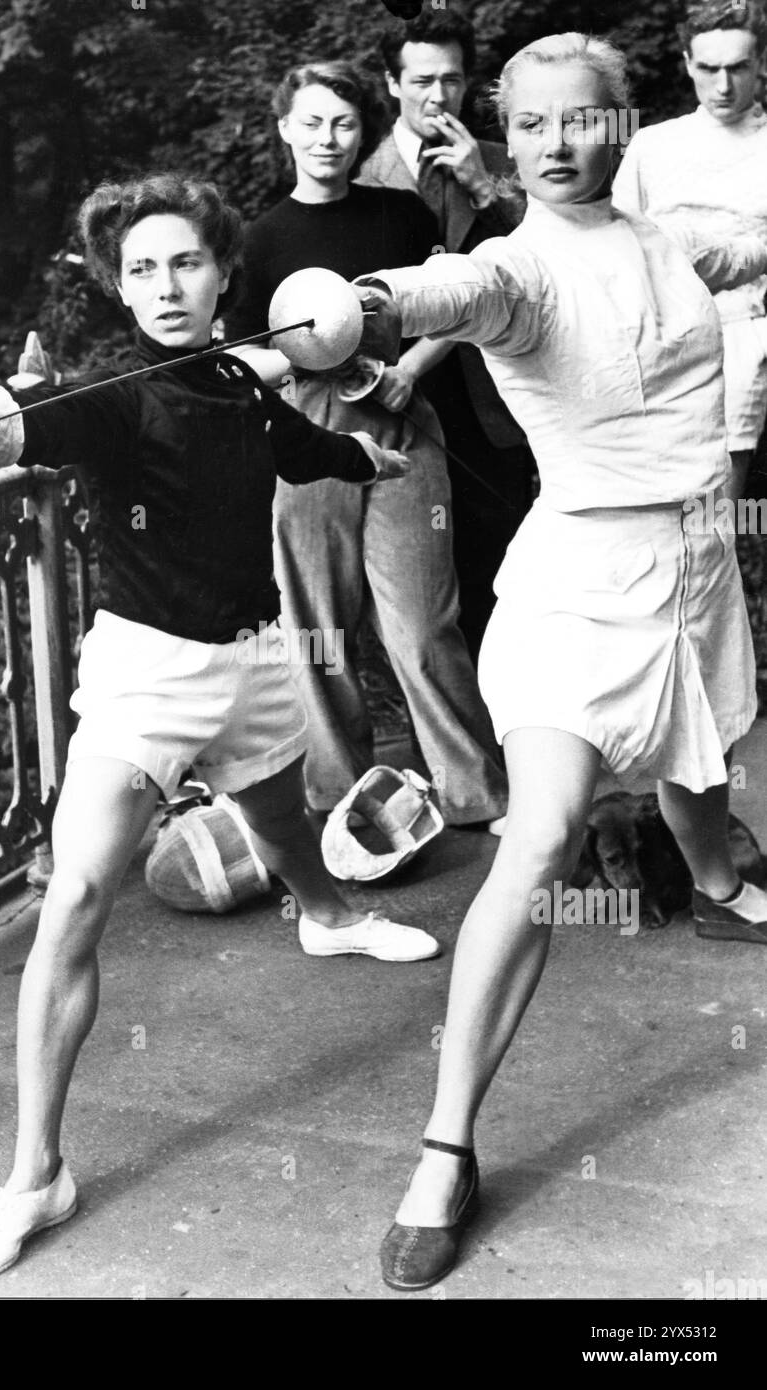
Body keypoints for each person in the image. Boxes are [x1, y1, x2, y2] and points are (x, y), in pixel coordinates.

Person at [0, 174, 448, 1287]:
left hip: (253, 659)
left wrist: (366, 458)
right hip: (147, 674)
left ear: (221, 271)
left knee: (285, 821)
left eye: (184, 262)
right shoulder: (116, 391)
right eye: (141, 267)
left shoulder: (239, 379)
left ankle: (331, 915)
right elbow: (16, 423)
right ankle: (33, 1176)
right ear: (116, 282)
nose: (165, 284)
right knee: (80, 896)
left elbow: (291, 443)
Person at [352, 33, 767, 1292]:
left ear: (623, 123)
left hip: (697, 564)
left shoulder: (665, 235)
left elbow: (736, 252)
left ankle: (713, 883)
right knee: (538, 845)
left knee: (704, 745)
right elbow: (440, 291)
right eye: (529, 125)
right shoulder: (513, 268)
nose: (555, 144)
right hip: (579, 589)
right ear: (505, 135)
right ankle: (443, 1146)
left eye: (580, 120)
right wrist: (364, 309)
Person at [226, 60, 507, 827]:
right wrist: (309, 362)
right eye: (312, 122)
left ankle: (474, 794)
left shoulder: (402, 215)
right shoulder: (259, 240)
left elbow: (452, 305)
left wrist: (409, 370)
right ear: (285, 127)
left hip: (402, 420)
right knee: (316, 630)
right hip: (304, 428)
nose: (328, 139)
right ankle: (337, 796)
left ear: (364, 132)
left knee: (422, 622)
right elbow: (247, 359)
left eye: (344, 124)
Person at [357, 8, 535, 657]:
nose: (439, 96)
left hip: (496, 405)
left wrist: (483, 184)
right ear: (391, 82)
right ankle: (452, 749)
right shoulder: (361, 176)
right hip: (405, 405)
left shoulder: (498, 161)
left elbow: (549, 264)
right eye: (423, 80)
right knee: (422, 594)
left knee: (508, 573)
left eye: (453, 80)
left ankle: (515, 733)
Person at [613, 0, 767, 501]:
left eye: (738, 67)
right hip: (657, 335)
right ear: (687, 63)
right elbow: (614, 246)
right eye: (709, 69)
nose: (723, 86)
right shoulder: (654, 145)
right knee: (651, 498)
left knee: (717, 502)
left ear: (761, 62)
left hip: (747, 338)